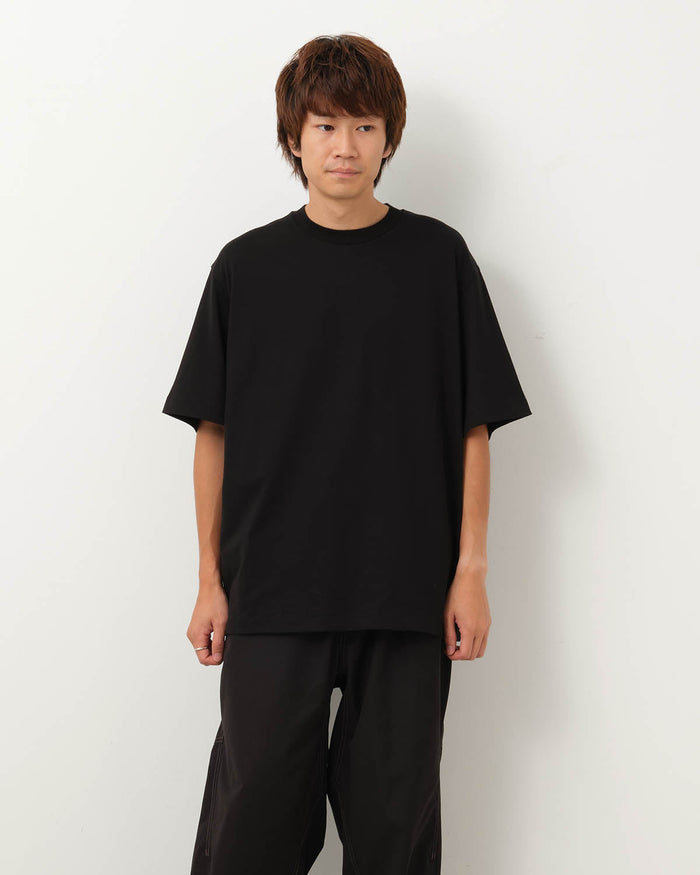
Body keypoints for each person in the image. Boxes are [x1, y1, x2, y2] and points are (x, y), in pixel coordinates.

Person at [162, 33, 532, 875]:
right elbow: (212, 430)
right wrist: (210, 579)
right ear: (294, 137)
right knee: (252, 822)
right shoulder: (246, 268)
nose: (345, 146)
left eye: (364, 126)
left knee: (395, 830)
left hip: (405, 592)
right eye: (326, 125)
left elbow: (474, 427)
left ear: (389, 137)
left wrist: (471, 571)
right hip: (271, 591)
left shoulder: (439, 260)